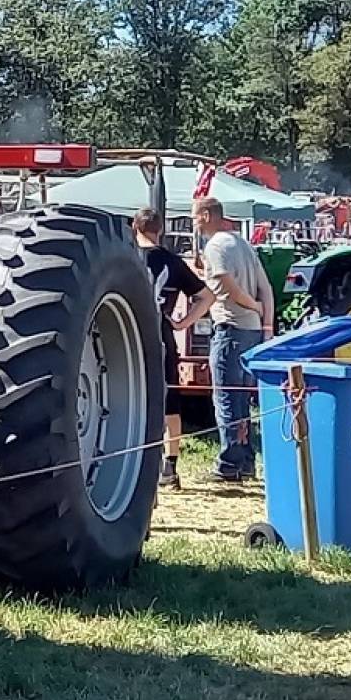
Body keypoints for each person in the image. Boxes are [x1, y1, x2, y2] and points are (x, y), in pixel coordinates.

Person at [192, 195, 274, 490]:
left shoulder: (214, 246)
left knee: (225, 398)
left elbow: (228, 287)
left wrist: (252, 305)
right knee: (242, 400)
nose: (194, 223)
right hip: (251, 331)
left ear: (205, 215)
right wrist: (265, 323)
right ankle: (247, 460)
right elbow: (265, 287)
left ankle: (229, 463)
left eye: (194, 216)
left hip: (230, 327)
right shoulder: (243, 244)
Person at [132, 208, 212, 491]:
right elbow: (206, 296)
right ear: (160, 229)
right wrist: (183, 322)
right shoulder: (173, 262)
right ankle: (170, 465)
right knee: (169, 401)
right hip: (162, 333)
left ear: (134, 227)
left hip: (129, 333)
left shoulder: (127, 258)